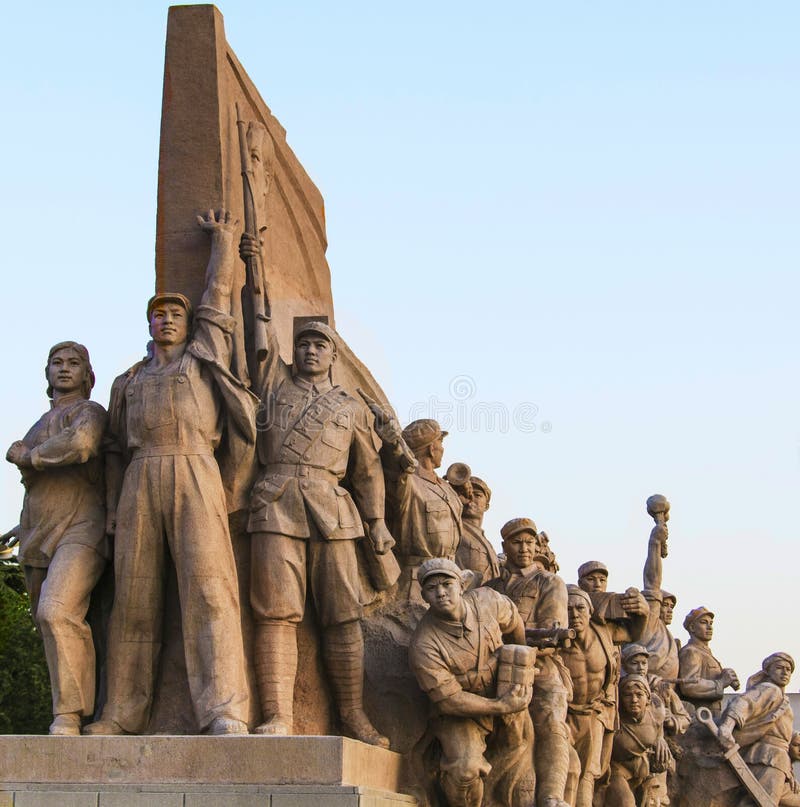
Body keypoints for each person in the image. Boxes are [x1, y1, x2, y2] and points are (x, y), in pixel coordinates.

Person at [86, 210, 255, 736]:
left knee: (209, 593)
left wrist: (223, 243)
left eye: (174, 315)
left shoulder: (204, 360)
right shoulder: (127, 380)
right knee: (134, 599)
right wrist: (114, 508)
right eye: (158, 315)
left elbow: (217, 300)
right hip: (140, 475)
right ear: (149, 324)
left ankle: (223, 708)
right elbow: (113, 448)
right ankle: (121, 712)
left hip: (196, 470)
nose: (166, 321)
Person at [240, 231, 394, 746]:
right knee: (275, 611)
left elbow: (368, 472)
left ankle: (351, 714)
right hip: (276, 503)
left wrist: (376, 527)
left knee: (342, 617)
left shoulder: (350, 406)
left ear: (332, 355)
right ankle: (277, 714)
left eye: (319, 345)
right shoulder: (273, 385)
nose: (309, 351)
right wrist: (253, 267)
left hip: (333, 510)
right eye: (303, 344)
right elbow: (255, 327)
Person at [4, 341, 108, 735]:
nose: (64, 369)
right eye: (57, 363)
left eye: (74, 363)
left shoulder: (90, 413)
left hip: (82, 529)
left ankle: (70, 714)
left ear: (87, 374)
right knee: (47, 624)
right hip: (37, 535)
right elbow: (40, 492)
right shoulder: (39, 422)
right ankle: (66, 709)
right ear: (46, 373)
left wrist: (28, 456)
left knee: (56, 611)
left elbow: (80, 445)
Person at [409, 557, 535, 807]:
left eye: (447, 584)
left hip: (504, 692)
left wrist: (522, 658)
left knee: (521, 750)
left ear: (462, 585)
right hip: (461, 714)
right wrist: (500, 706)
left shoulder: (487, 600)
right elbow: (451, 702)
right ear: (423, 595)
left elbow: (513, 621)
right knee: (465, 770)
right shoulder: (423, 644)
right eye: (432, 589)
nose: (441, 593)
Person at [488, 518, 572, 807]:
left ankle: (552, 795)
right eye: (516, 542)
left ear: (537, 546)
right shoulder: (491, 587)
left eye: (529, 542)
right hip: (496, 668)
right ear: (504, 546)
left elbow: (552, 632)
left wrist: (512, 635)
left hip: (541, 669)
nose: (524, 548)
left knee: (551, 722)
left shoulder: (550, 582)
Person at [561, 584, 648, 807]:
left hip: (595, 714)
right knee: (567, 768)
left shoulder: (605, 632)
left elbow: (633, 633)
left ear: (590, 611)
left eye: (580, 608)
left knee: (589, 774)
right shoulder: (556, 638)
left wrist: (643, 613)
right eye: (568, 608)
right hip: (564, 715)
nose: (574, 614)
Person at [378, 417, 463, 603]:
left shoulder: (446, 487)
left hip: (450, 577)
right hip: (419, 584)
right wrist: (391, 444)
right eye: (440, 442)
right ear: (432, 448)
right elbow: (394, 474)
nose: (442, 449)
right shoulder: (408, 482)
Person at [718, 652, 800, 807]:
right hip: (769, 758)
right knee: (759, 803)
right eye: (779, 668)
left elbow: (784, 735)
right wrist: (727, 726)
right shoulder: (770, 689)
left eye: (788, 669)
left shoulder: (781, 697)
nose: (785, 672)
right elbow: (745, 703)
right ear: (768, 671)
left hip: (779, 762)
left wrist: (789, 774)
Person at [605, 675, 672, 807]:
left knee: (656, 802)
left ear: (647, 698)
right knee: (626, 803)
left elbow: (658, 731)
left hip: (645, 772)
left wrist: (660, 739)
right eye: (628, 695)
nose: (634, 700)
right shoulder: (613, 717)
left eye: (639, 695)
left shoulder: (656, 713)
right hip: (617, 771)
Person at [635, 519, 680, 680]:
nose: (669, 610)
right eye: (665, 605)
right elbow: (652, 582)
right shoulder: (650, 622)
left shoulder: (666, 636)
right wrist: (654, 543)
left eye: (671, 607)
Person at [677, 607, 739, 716]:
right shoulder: (691, 652)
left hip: (712, 714)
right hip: (700, 716)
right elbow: (689, 685)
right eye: (703, 623)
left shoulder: (705, 652)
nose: (709, 627)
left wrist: (725, 675)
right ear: (692, 627)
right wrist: (721, 683)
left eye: (711, 623)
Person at [455, 476, 499, 584]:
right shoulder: (453, 529)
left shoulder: (487, 543)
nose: (470, 497)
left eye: (477, 495)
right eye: (465, 493)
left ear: (486, 505)